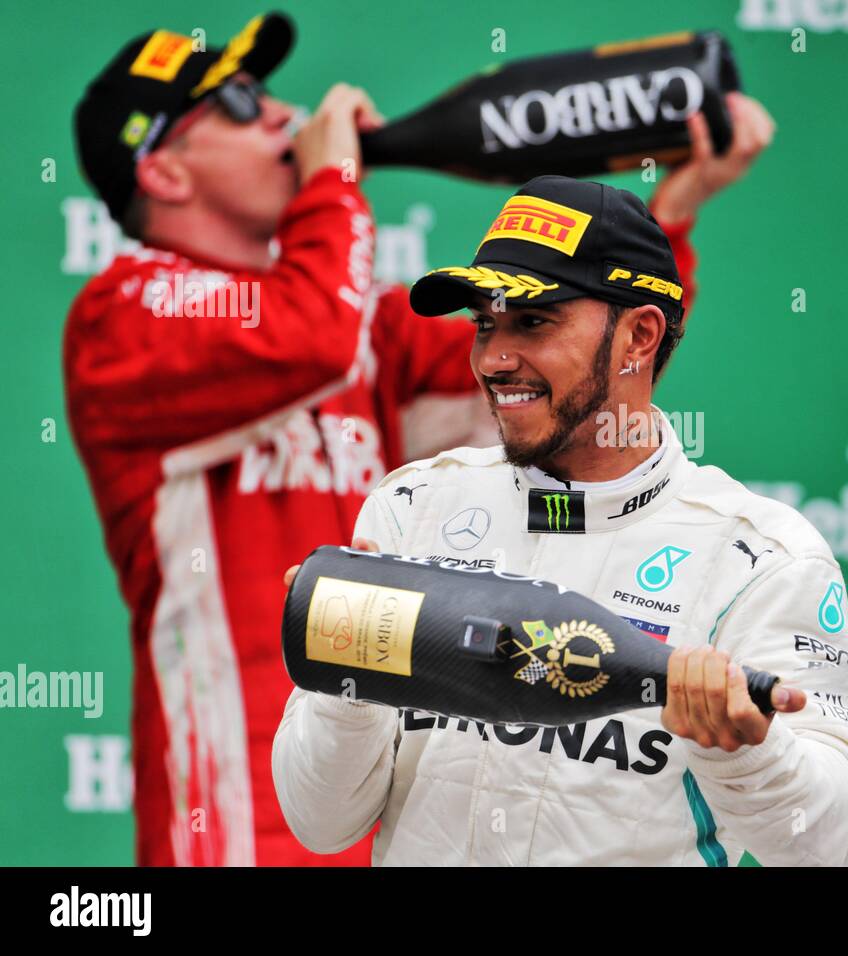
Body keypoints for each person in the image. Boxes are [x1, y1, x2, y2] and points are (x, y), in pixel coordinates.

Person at [65, 12, 774, 866]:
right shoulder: (123, 316)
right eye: (243, 103)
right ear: (166, 169)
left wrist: (667, 219)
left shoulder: (356, 323)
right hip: (235, 821)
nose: (284, 114)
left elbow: (563, 381)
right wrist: (332, 177)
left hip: (368, 795)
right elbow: (310, 335)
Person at [272, 175, 848, 866]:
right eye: (484, 324)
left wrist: (747, 753)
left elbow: (831, 844)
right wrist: (347, 673)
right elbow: (319, 823)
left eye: (533, 321)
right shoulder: (414, 507)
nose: (494, 360)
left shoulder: (758, 558)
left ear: (639, 336)